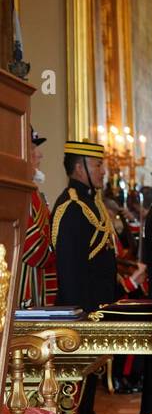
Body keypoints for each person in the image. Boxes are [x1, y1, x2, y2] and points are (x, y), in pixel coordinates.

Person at [51, 139, 121, 414]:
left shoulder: (92, 203)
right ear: (79, 167)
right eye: (97, 166)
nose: (103, 171)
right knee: (75, 390)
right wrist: (79, 316)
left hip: (98, 311)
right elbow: (70, 271)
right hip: (80, 316)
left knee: (89, 388)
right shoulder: (71, 207)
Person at [20, 128, 58, 307]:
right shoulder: (18, 191)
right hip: (25, 289)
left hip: (39, 285)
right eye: (32, 147)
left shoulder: (32, 191)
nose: (39, 154)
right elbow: (31, 246)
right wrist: (58, 255)